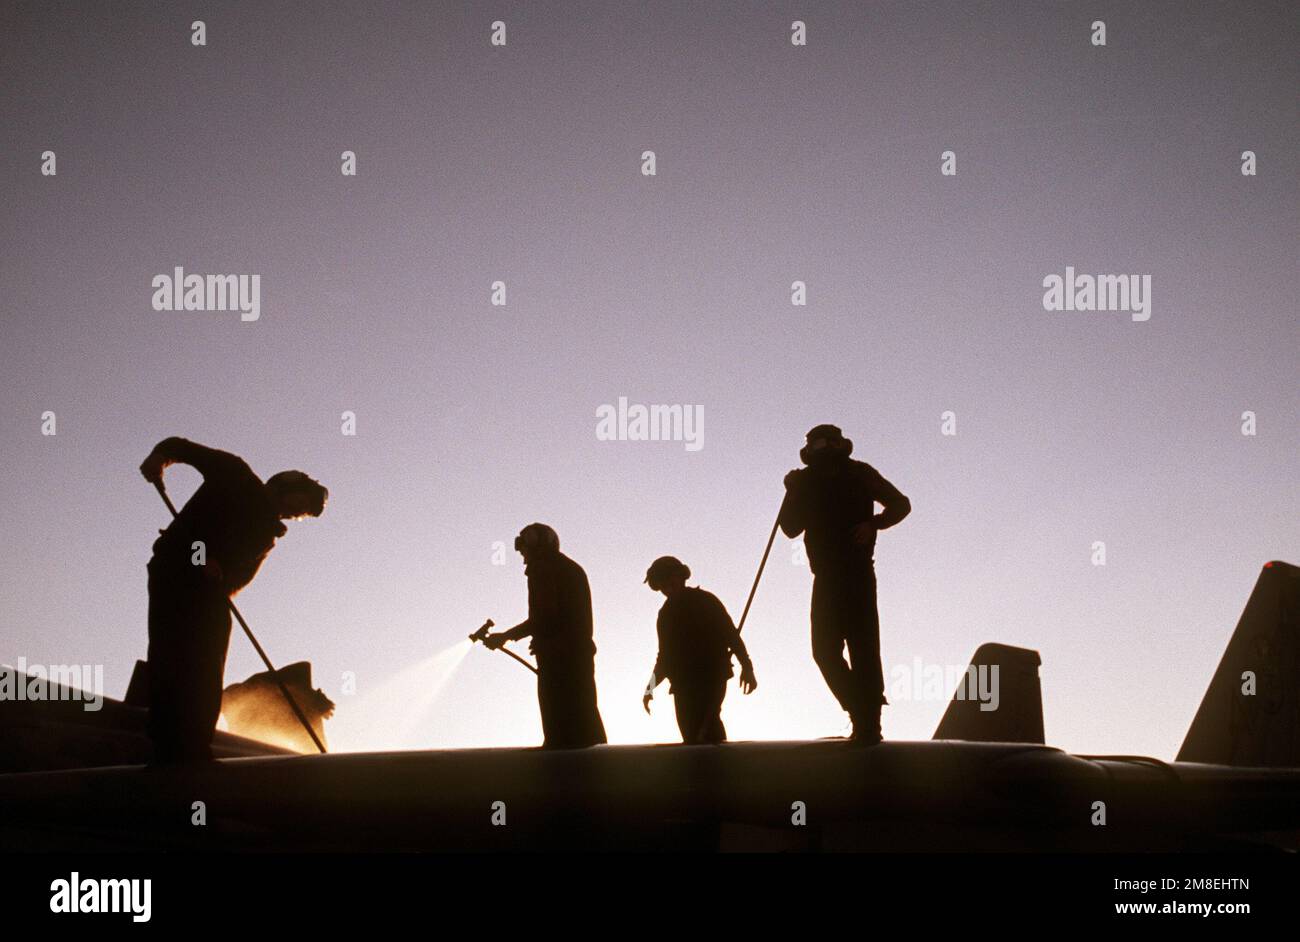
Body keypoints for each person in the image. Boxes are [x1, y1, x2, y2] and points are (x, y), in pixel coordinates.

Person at [139, 437, 327, 762]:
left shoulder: (266, 537)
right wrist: (159, 458)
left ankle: (193, 744)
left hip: (208, 594)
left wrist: (222, 576)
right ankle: (167, 741)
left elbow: (238, 579)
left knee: (208, 662)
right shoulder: (235, 474)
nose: (299, 514)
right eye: (303, 503)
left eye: (304, 514)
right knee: (172, 654)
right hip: (176, 574)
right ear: (285, 484)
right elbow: (179, 446)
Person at [778, 424, 910, 744]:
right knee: (824, 651)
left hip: (858, 572)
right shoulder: (805, 482)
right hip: (824, 576)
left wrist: (873, 524)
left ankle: (869, 723)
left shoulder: (859, 473)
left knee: (864, 648)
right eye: (815, 444)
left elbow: (900, 504)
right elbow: (790, 528)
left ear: (837, 444)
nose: (819, 448)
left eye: (824, 443)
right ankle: (860, 711)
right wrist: (792, 491)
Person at [483, 524, 607, 749]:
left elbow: (546, 615)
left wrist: (505, 636)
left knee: (558, 722)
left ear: (535, 547)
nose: (523, 558)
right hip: (578, 656)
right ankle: (598, 761)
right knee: (584, 713)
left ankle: (562, 769)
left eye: (524, 552)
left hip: (558, 659)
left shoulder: (542, 568)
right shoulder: (571, 568)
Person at [641, 556, 756, 744]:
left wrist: (747, 667)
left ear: (681, 576)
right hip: (682, 685)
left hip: (712, 679)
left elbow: (731, 636)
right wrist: (650, 687)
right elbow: (664, 658)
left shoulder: (707, 601)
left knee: (709, 730)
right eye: (662, 582)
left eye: (669, 578)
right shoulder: (665, 615)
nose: (667, 585)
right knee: (690, 735)